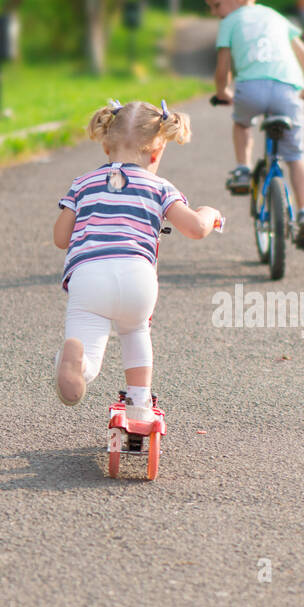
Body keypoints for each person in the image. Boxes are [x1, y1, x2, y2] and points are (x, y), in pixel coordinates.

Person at [52, 99, 222, 422]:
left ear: (106, 146)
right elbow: (196, 228)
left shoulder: (83, 183)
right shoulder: (160, 187)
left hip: (89, 278)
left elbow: (61, 238)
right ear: (156, 153)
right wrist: (210, 214)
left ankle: (80, 364)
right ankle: (140, 405)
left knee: (88, 347)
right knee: (136, 331)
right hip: (137, 279)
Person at [197, 0, 304, 251]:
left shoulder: (230, 22)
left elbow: (223, 67)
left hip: (251, 89)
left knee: (242, 124)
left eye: (216, 5)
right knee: (296, 157)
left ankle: (242, 168)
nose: (215, 13)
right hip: (288, 91)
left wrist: (222, 92)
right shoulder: (277, 17)